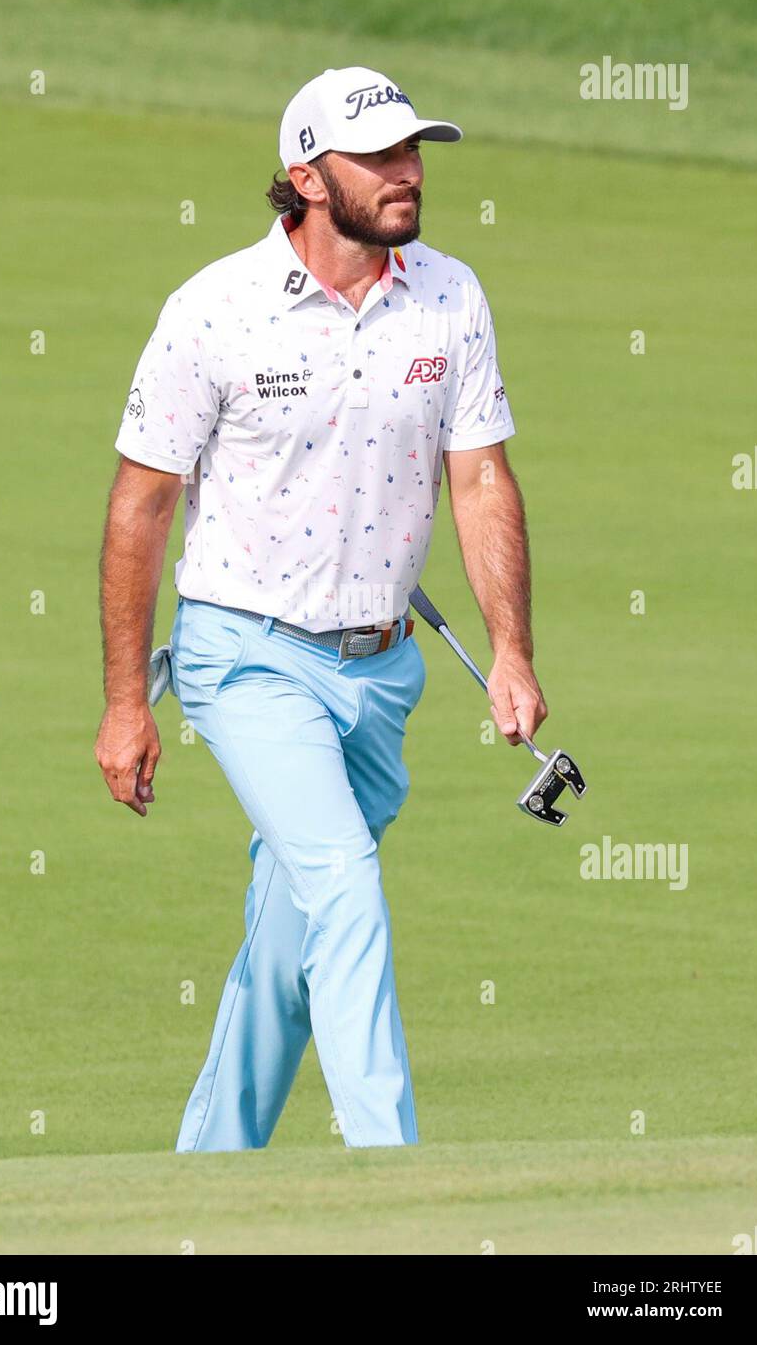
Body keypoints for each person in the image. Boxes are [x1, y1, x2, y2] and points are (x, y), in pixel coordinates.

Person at [94, 66, 547, 1152]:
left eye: (412, 151)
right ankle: (387, 1171)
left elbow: (479, 479)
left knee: (292, 938)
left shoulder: (448, 294)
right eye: (377, 157)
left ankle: (207, 1172)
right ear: (305, 176)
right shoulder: (214, 310)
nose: (406, 174)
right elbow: (141, 506)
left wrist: (512, 653)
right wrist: (124, 703)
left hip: (382, 676)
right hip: (243, 657)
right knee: (342, 884)